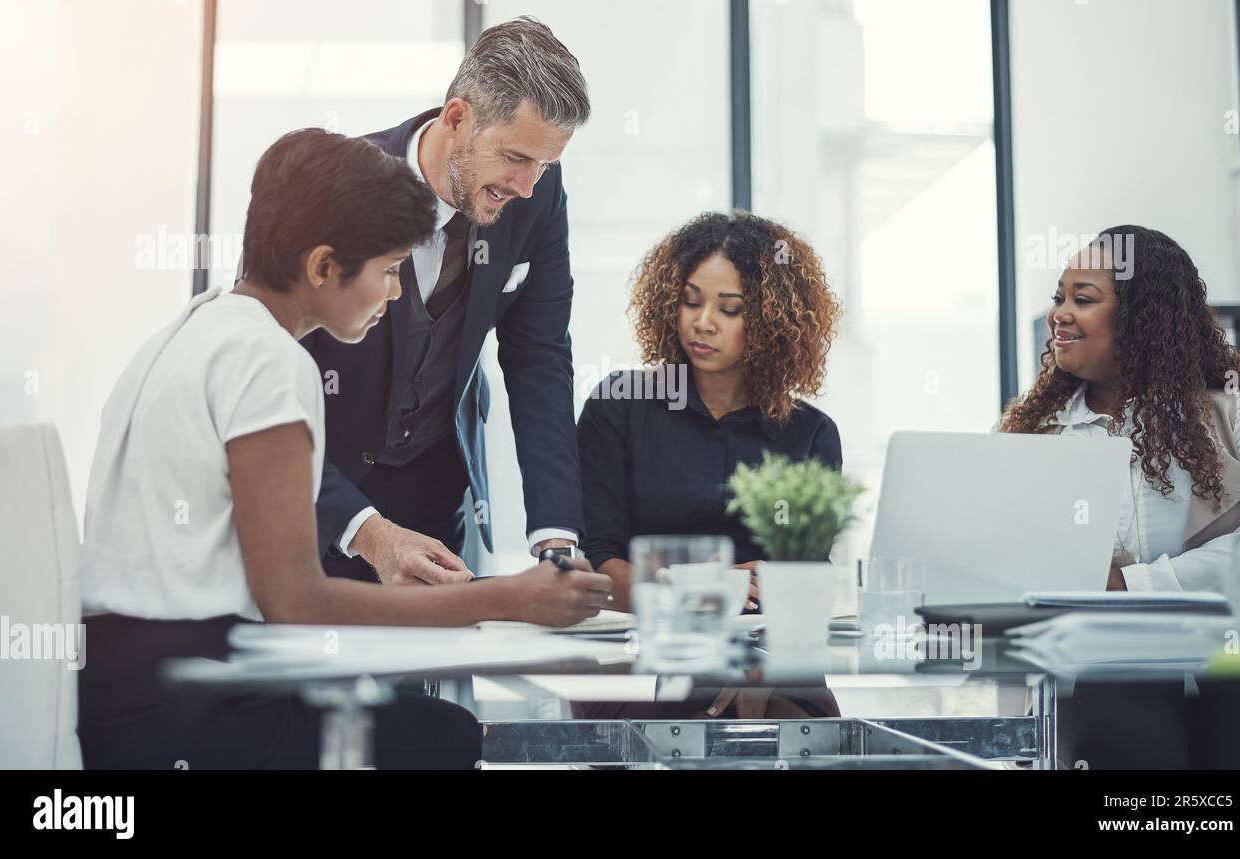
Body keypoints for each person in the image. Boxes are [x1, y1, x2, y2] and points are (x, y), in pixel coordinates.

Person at [77, 128, 611, 770]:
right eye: (388, 271)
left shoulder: (189, 331)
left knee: (414, 722)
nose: (394, 294)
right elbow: (297, 602)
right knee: (446, 737)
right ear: (323, 266)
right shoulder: (269, 361)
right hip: (193, 706)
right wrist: (507, 598)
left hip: (124, 693)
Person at [304, 17, 593, 586]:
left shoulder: (535, 199)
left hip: (435, 507)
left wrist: (556, 537)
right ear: (457, 118)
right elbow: (265, 384)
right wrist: (366, 531)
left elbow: (539, 357)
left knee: (435, 673)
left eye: (546, 164)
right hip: (318, 501)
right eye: (516, 156)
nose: (528, 186)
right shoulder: (332, 186)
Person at [576, 211, 844, 718]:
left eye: (731, 309)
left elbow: (805, 577)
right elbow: (598, 564)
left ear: (770, 319)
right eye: (691, 301)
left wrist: (777, 596)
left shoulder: (810, 433)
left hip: (771, 658)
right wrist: (710, 590)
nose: (702, 322)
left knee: (814, 735)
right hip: (647, 653)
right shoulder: (619, 406)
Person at [999, 224, 1240, 592]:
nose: (1060, 315)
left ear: (1141, 316)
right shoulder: (1031, 434)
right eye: (1059, 299)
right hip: (1070, 646)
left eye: (1082, 300)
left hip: (1215, 647)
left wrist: (1131, 583)